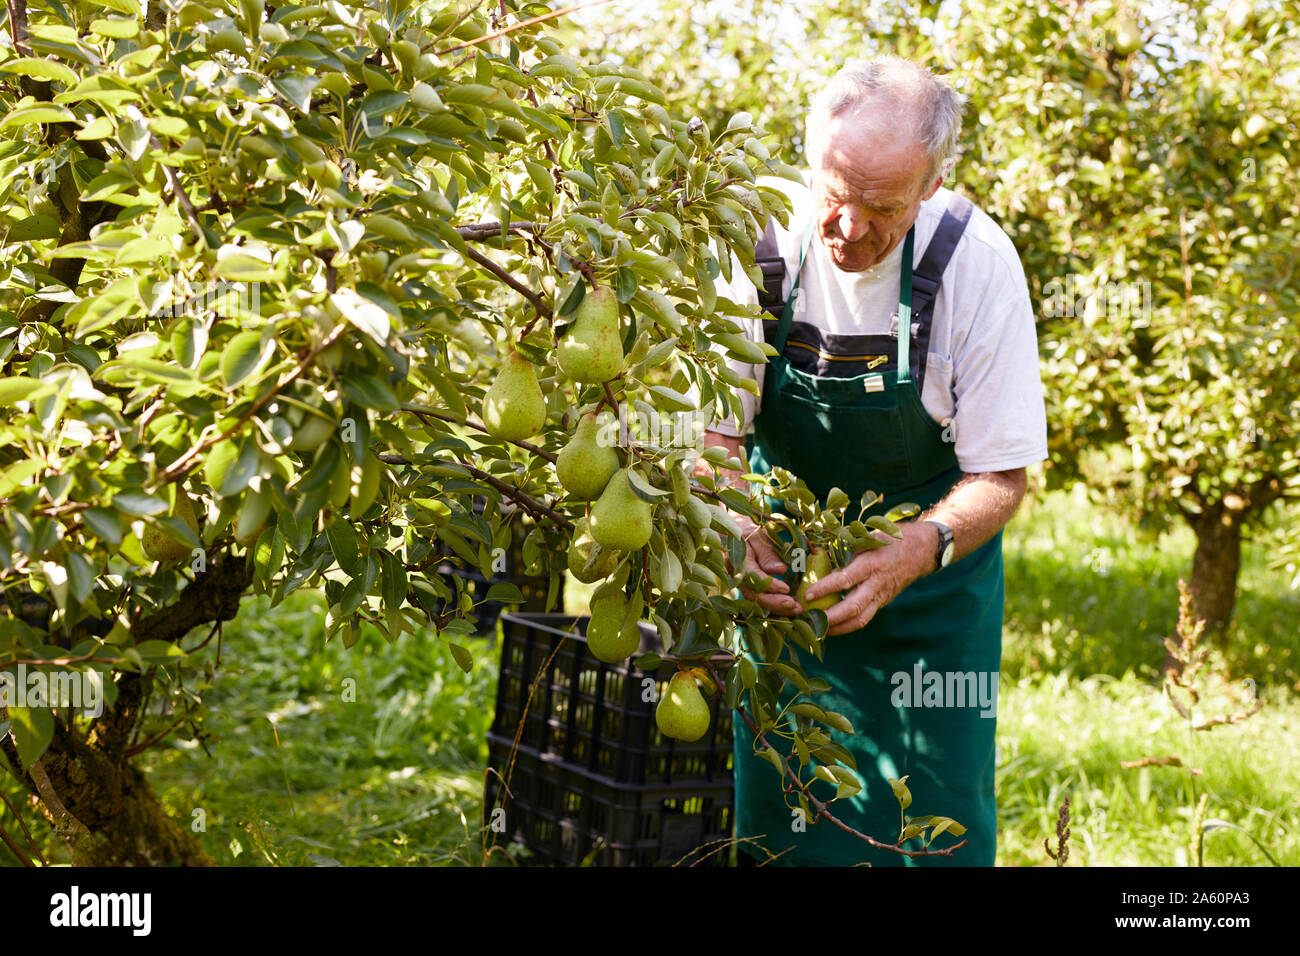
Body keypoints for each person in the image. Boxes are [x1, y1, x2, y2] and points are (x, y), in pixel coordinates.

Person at [700, 57, 1049, 866]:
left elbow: (1001, 476)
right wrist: (734, 514)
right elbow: (716, 437)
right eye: (834, 194)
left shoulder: (975, 265)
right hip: (786, 581)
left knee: (939, 819)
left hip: (934, 589)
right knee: (790, 814)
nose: (849, 227)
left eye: (881, 206)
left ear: (931, 184)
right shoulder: (756, 242)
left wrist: (913, 552)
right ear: (810, 158)